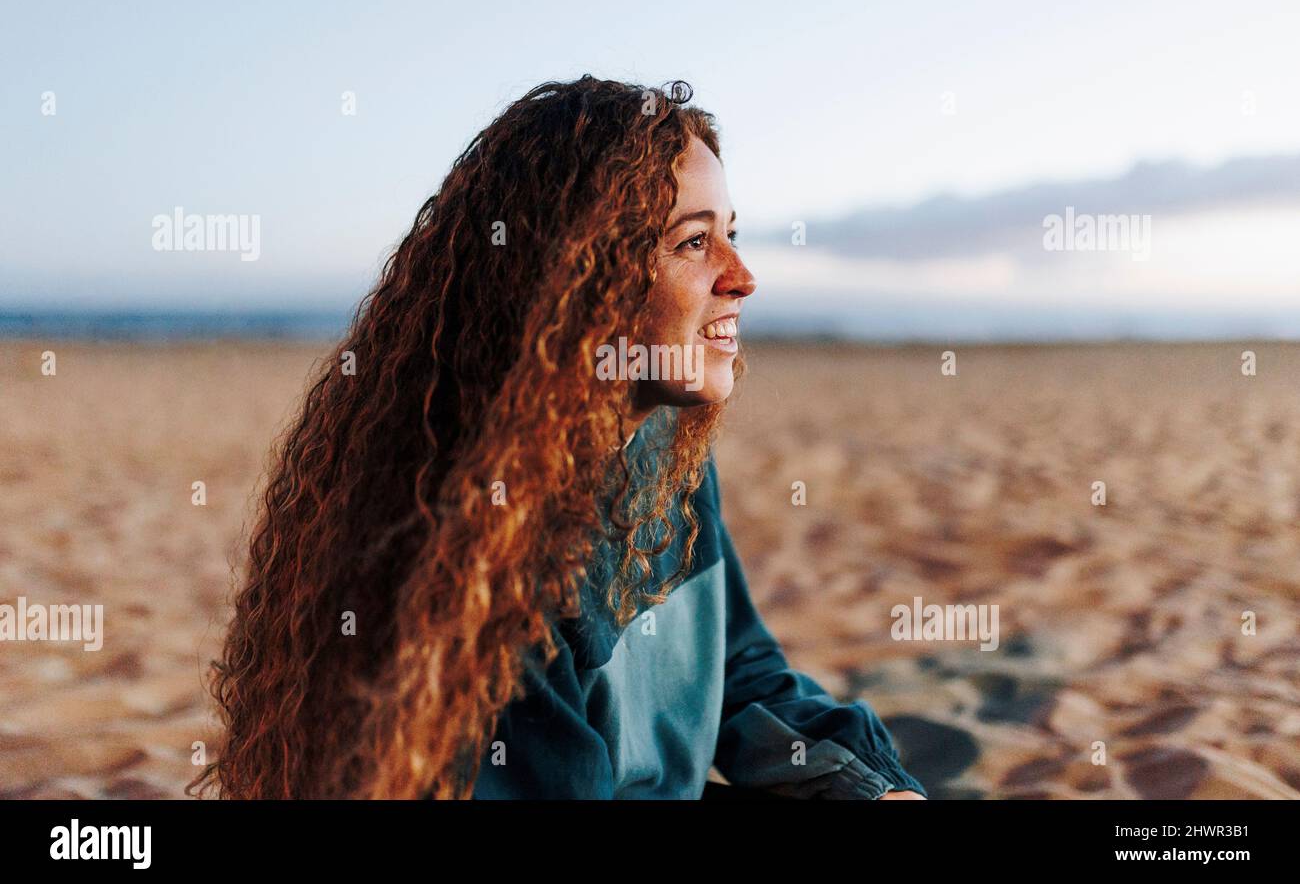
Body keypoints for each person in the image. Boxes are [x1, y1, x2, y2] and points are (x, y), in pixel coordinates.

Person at [190, 75, 926, 800]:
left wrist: (869, 789)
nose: (741, 277)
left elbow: (743, 674)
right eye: (694, 242)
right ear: (579, 276)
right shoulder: (487, 543)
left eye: (731, 235)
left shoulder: (671, 457)